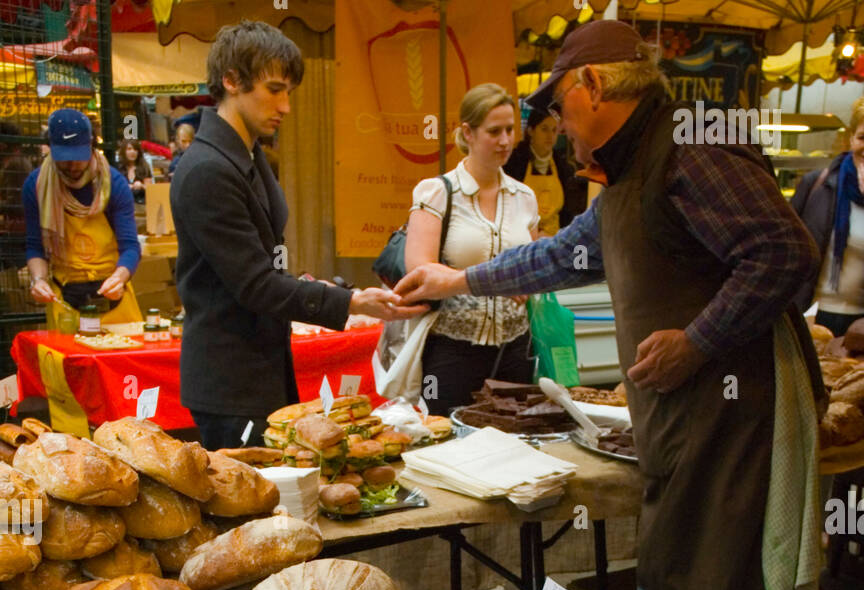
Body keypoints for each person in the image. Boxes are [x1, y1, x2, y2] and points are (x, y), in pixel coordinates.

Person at [397, 21, 823, 590]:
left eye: (560, 105)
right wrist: (456, 280)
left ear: (592, 86)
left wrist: (700, 340)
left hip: (742, 426)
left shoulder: (692, 149)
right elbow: (564, 255)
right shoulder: (630, 175)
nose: (558, 126)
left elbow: (784, 252)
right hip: (681, 434)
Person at [170, 21, 422, 450]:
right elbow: (254, 285)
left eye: (288, 91)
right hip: (230, 381)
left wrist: (314, 285)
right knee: (253, 509)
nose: (285, 106)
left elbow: (261, 265)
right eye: (274, 90)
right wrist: (351, 302)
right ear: (231, 81)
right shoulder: (208, 169)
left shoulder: (245, 153)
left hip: (259, 368)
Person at [404, 83, 540, 417]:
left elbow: (535, 264)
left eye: (510, 130)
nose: (506, 140)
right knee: (448, 446)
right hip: (453, 351)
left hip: (516, 348)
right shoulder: (437, 193)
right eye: (494, 131)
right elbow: (419, 273)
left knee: (514, 449)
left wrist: (528, 281)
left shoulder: (525, 197)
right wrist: (495, 280)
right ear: (468, 132)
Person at [23, 108, 141, 323]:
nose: (72, 165)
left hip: (113, 293)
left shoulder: (114, 184)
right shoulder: (36, 185)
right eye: (64, 158)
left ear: (92, 147)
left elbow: (131, 247)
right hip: (65, 298)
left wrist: (119, 278)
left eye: (79, 157)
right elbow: (35, 246)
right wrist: (38, 280)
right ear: (50, 149)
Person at [791, 95, 864, 337]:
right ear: (850, 138)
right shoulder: (817, 185)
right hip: (808, 313)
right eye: (862, 137)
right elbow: (786, 247)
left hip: (859, 326)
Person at [504, 105, 587, 235]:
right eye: (544, 129)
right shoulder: (513, 163)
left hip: (555, 239)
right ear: (531, 131)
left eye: (554, 130)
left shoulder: (564, 167)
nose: (550, 136)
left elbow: (568, 213)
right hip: (521, 239)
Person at [117, 137, 151, 202]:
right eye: (129, 149)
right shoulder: (119, 168)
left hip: (141, 202)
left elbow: (150, 189)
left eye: (135, 149)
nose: (132, 152)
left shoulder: (144, 167)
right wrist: (125, 187)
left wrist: (142, 186)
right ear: (124, 151)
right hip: (123, 202)